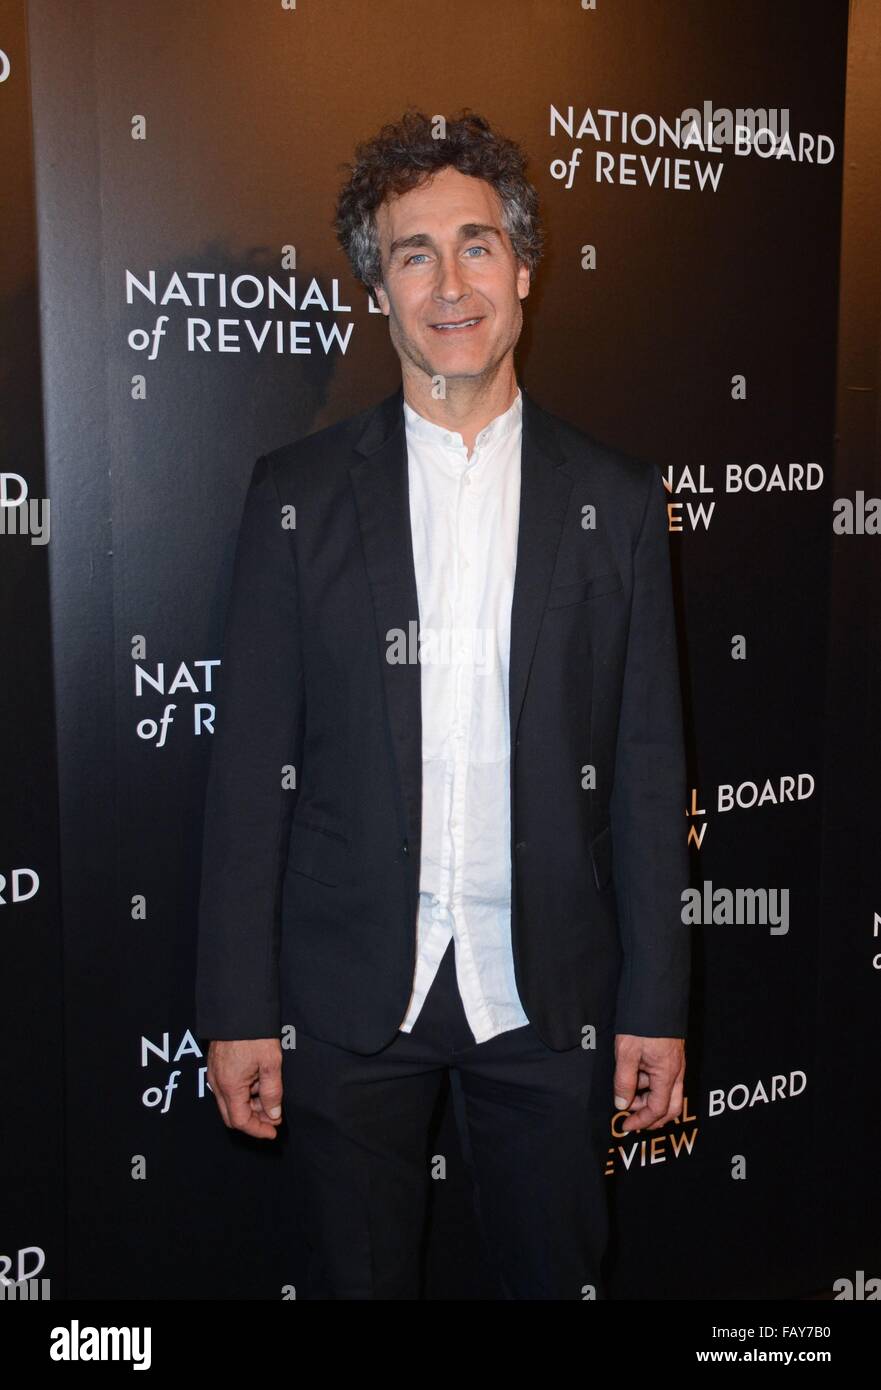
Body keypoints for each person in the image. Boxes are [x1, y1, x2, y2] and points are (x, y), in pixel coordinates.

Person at [195, 108, 690, 1300]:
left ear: (522, 269)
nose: (449, 282)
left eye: (475, 245)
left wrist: (654, 1004)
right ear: (378, 290)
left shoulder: (613, 501)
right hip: (344, 993)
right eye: (412, 253)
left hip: (548, 996)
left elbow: (641, 768)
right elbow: (248, 763)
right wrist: (235, 1008)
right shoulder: (296, 495)